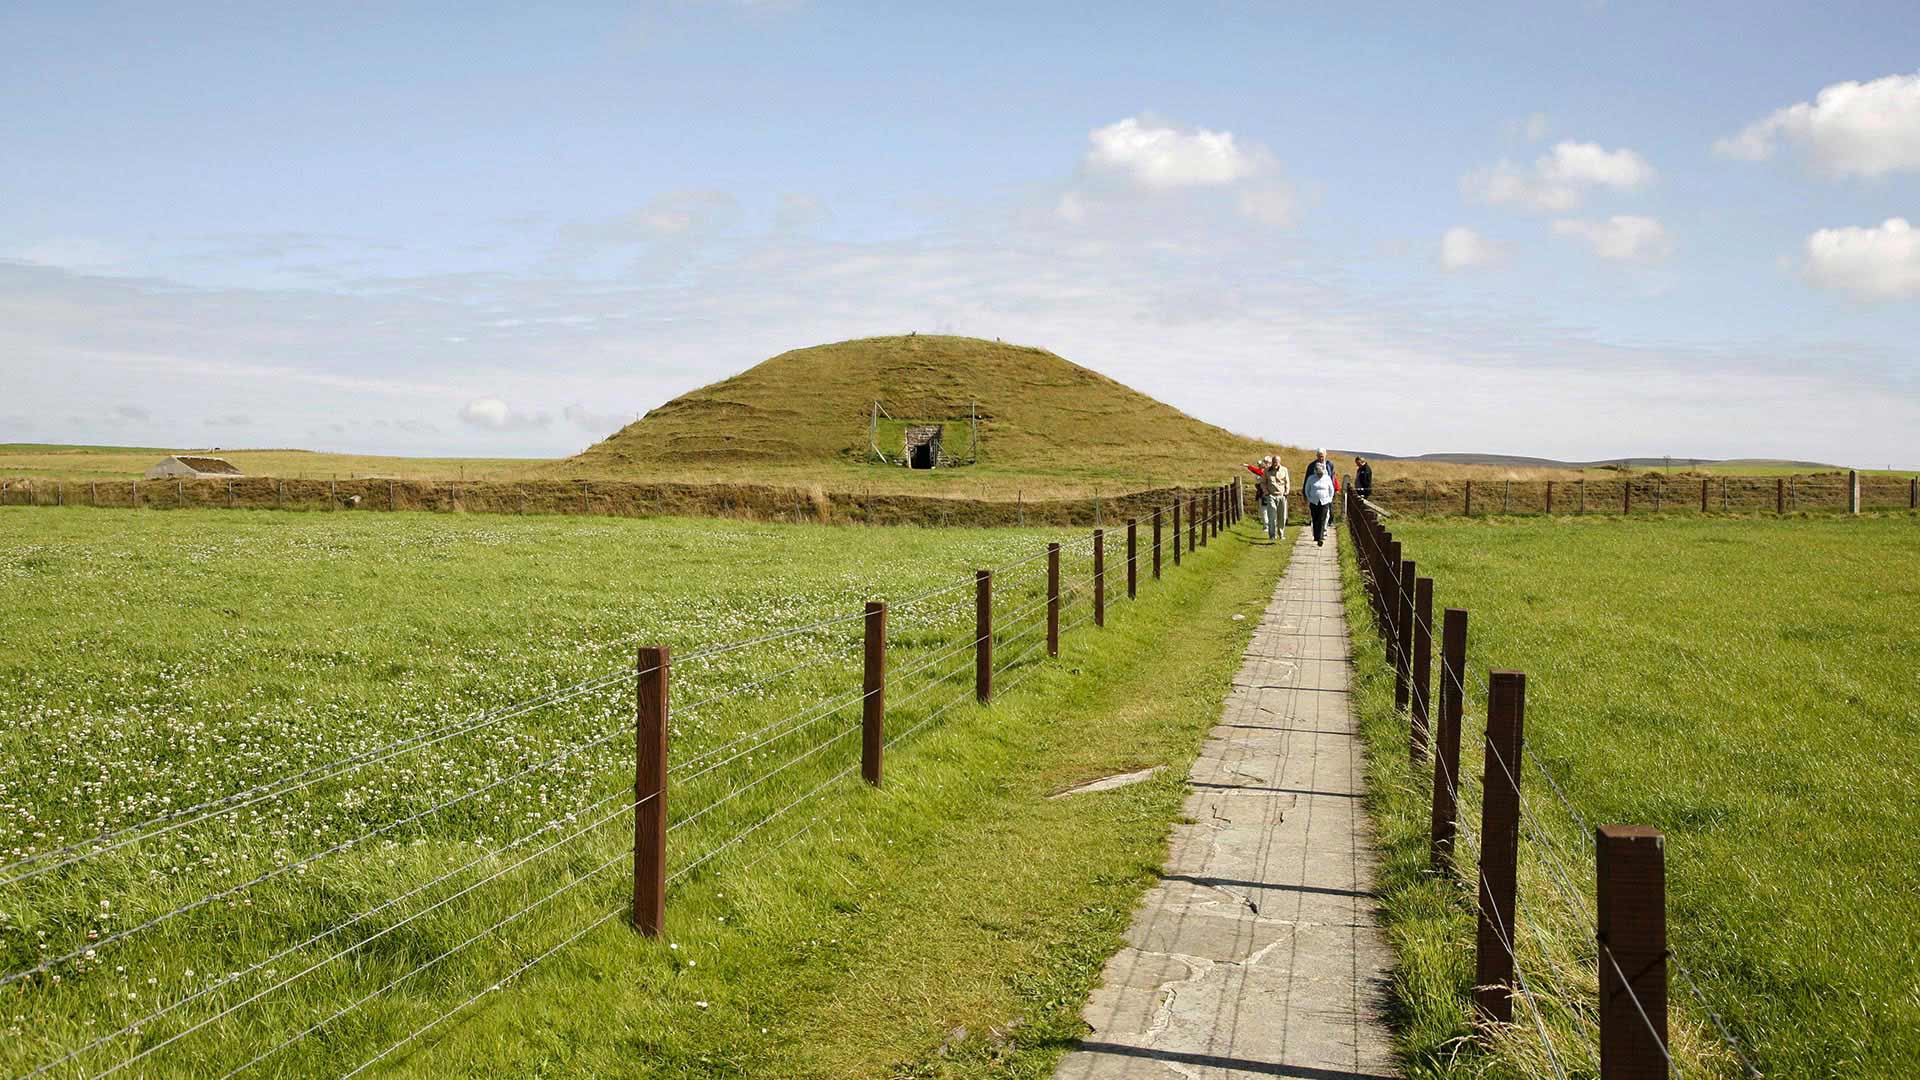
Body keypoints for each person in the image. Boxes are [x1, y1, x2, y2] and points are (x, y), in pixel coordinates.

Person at [1243, 455, 1289, 542]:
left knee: (1282, 517)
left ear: (1280, 462)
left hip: (1282, 495)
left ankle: (1281, 533)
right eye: (1274, 462)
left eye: (1277, 462)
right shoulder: (1266, 471)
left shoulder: (1284, 470)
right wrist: (1266, 492)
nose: (1275, 464)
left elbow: (1287, 482)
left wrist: (1287, 491)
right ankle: (1272, 535)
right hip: (1271, 496)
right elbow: (1262, 482)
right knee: (1272, 516)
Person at [1303, 449, 1337, 546]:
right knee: (1315, 518)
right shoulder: (1311, 468)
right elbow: (1307, 486)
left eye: (1322, 456)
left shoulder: (1329, 465)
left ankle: (1322, 535)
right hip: (1314, 500)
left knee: (1324, 517)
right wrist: (1308, 497)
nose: (1321, 457)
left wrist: (1330, 498)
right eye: (1319, 456)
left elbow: (1332, 485)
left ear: (1325, 455)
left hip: (1325, 500)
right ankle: (1317, 535)